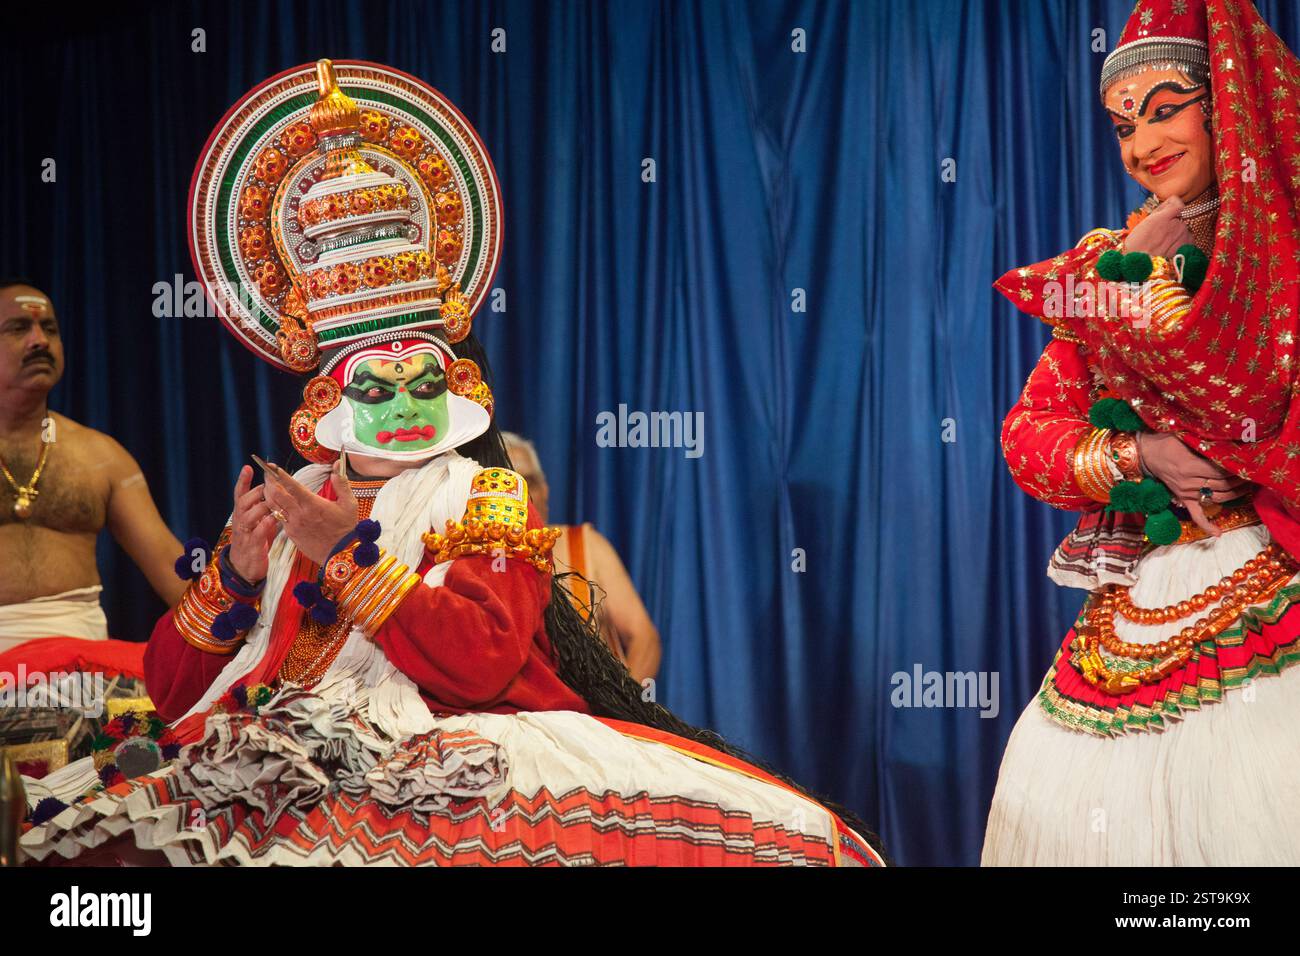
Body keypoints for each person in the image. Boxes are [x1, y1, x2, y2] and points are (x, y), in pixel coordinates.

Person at [18, 60, 883, 866]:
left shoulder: (485, 494)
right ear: (331, 399)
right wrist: (237, 578)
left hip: (438, 751)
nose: (404, 403)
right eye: (379, 383)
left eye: (422, 378)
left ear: (458, 380)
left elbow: (482, 659)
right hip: (265, 759)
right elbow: (173, 693)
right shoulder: (292, 504)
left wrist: (351, 554)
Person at [983, 0, 1300, 865]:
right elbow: (1028, 437)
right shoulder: (1110, 262)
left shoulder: (1289, 248)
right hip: (1142, 599)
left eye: (1164, 110)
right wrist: (1141, 454)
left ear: (1226, 103)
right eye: (1124, 125)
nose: (1142, 144)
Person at [0, 279, 184, 653]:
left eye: (49, 328)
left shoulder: (102, 457)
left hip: (84, 674)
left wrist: (249, 628)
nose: (40, 341)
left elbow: (173, 570)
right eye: (19, 328)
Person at [503, 431, 662, 682]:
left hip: (598, 712)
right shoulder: (475, 562)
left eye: (529, 482)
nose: (522, 495)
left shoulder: (585, 545)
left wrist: (624, 705)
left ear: (545, 490)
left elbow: (644, 637)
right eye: (508, 485)